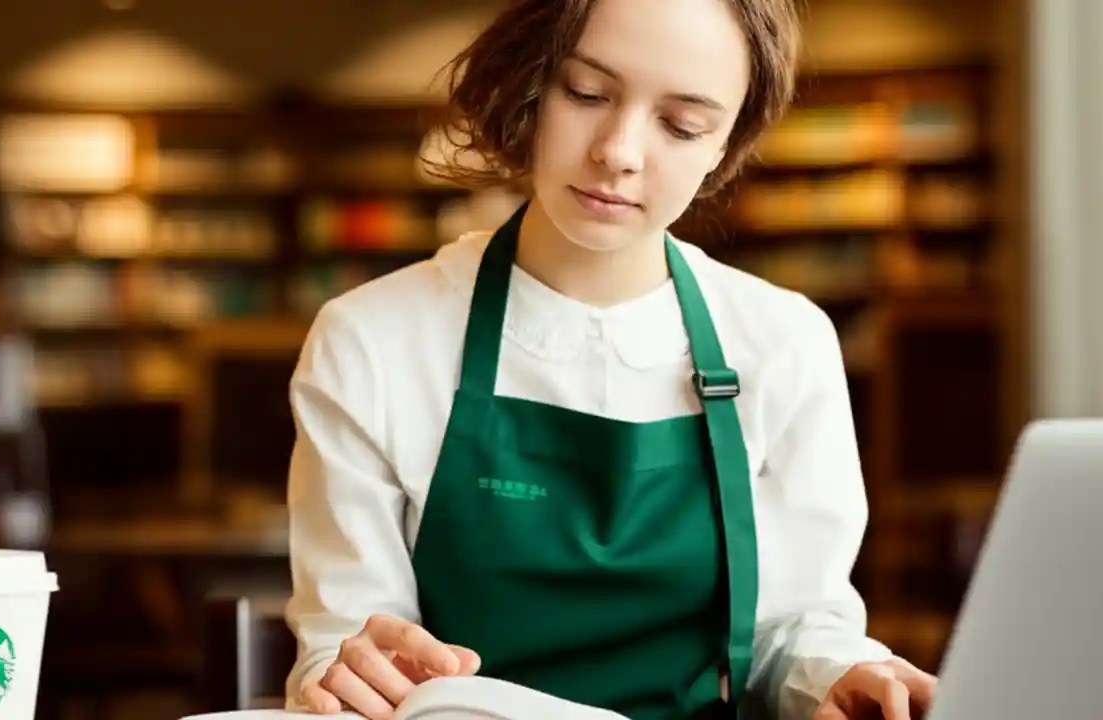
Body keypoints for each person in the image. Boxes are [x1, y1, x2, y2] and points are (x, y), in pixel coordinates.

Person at [284, 0, 939, 718]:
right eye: (586, 93)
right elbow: (344, 637)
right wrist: (348, 672)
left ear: (726, 144)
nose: (619, 151)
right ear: (530, 85)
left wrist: (843, 676)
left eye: (682, 124)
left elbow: (794, 628)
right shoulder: (372, 341)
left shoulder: (786, 344)